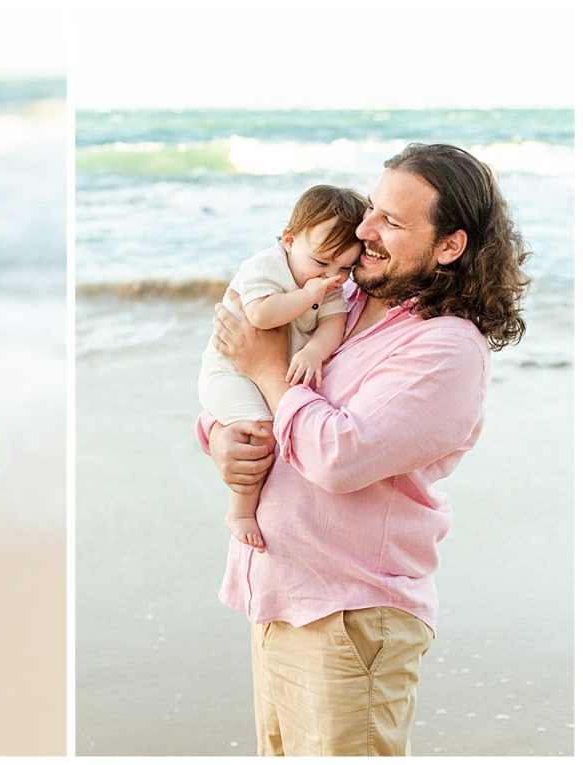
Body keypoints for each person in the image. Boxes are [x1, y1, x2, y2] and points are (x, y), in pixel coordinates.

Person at [201, 143, 530, 755]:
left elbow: (338, 456)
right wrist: (220, 438)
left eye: (392, 222)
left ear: (449, 246)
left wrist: (270, 371)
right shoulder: (341, 301)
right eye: (372, 209)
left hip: (352, 617)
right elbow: (237, 384)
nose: (364, 230)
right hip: (279, 597)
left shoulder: (447, 349)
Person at [198, 185, 365, 551]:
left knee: (268, 426)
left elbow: (333, 324)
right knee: (261, 431)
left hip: (263, 371)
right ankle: (240, 511)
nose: (332, 276)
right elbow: (260, 314)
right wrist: (309, 295)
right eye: (321, 262)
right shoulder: (264, 267)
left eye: (346, 268)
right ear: (289, 240)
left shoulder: (329, 284)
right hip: (232, 373)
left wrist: (314, 353)